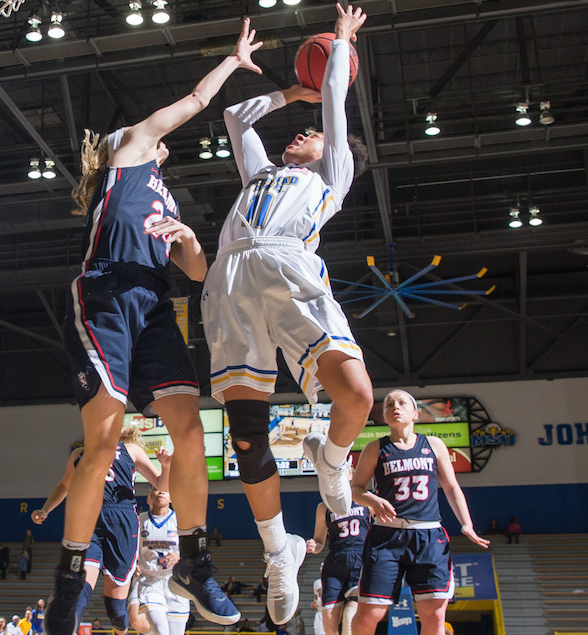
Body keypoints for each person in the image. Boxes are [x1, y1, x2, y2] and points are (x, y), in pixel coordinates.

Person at [50, 19, 263, 635]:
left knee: (191, 429)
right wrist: (233, 59)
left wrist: (192, 239)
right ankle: (69, 581)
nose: (164, 136)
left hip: (156, 304)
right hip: (107, 292)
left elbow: (196, 272)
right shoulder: (131, 153)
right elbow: (197, 102)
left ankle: (194, 561)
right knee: (104, 440)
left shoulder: (166, 200)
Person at [200, 4, 372, 626]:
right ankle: (280, 550)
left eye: (310, 130)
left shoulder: (332, 173)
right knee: (246, 432)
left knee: (356, 395)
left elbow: (335, 101)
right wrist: (286, 90)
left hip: (290, 267)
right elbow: (235, 114)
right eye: (298, 129)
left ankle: (331, 459)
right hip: (230, 277)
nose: (299, 132)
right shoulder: (261, 173)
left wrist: (343, 46)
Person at [350, 390, 490, 635]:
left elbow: (451, 486)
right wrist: (372, 499)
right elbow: (356, 489)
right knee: (369, 614)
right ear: (383, 416)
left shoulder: (433, 445)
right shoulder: (375, 449)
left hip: (427, 535)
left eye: (402, 403)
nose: (395, 406)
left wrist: (466, 524)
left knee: (434, 614)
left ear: (415, 414)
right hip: (386, 536)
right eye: (389, 404)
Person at [36, 429, 198, 635]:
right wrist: (45, 509)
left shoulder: (131, 450)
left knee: (116, 609)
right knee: (81, 583)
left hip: (122, 521)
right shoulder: (79, 454)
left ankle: (120, 629)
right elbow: (64, 484)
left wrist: (166, 466)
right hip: (91, 518)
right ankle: (66, 620)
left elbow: (160, 483)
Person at [305, 488, 370, 635]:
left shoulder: (366, 500)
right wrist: (314, 545)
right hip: (335, 561)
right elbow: (319, 541)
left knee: (349, 617)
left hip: (359, 560)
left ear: (351, 474)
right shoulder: (324, 507)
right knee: (328, 623)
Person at [133, 485, 190, 635]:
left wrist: (180, 556)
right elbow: (130, 546)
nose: (161, 492)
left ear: (172, 498)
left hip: (176, 579)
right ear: (150, 496)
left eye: (165, 490)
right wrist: (133, 565)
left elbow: (193, 549)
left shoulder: (180, 520)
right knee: (161, 631)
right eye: (156, 489)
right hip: (150, 579)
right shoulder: (139, 520)